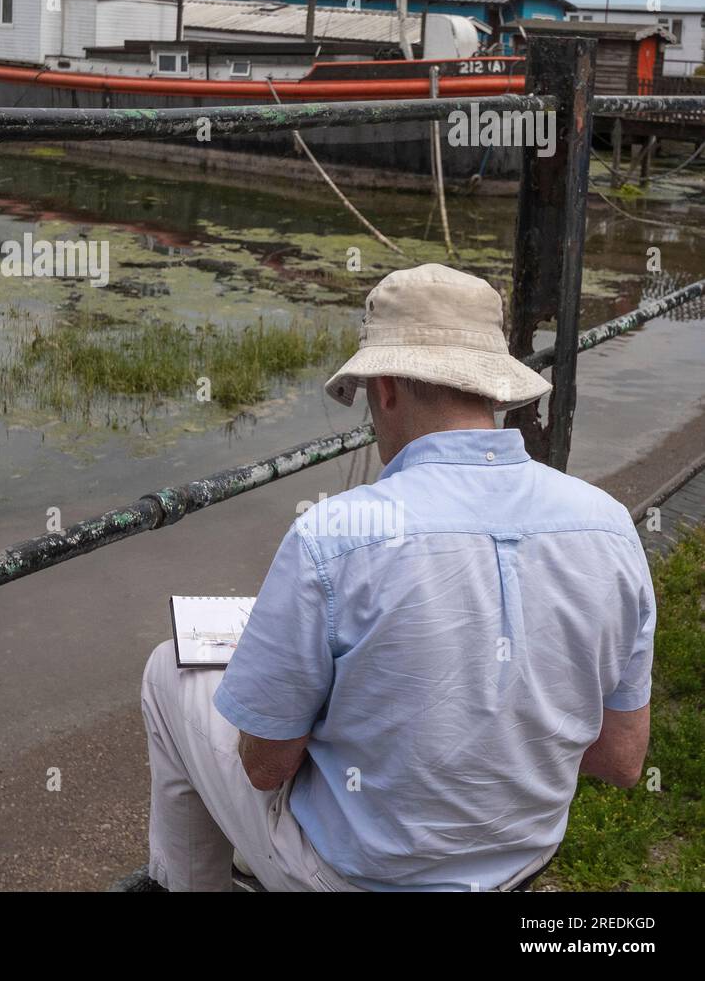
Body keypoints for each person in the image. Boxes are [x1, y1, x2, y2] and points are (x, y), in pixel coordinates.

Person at [141, 263, 654, 891]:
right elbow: (621, 760)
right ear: (491, 391)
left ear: (385, 388)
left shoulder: (334, 534)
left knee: (167, 670)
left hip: (354, 878)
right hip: (518, 864)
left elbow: (266, 767)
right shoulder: (608, 525)